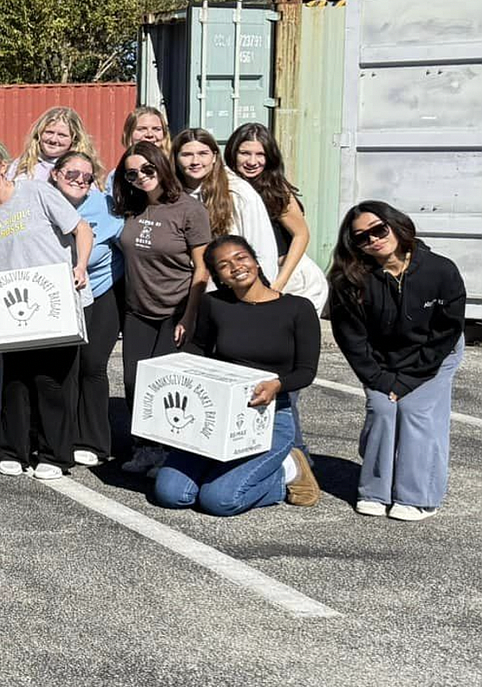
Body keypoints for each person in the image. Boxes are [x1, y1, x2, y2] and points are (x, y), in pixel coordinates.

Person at [153, 236, 320, 516]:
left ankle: (288, 470)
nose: (236, 267)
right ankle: (221, 469)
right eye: (224, 265)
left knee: (218, 500)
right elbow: (197, 352)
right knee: (172, 494)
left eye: (241, 257)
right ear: (219, 277)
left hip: (268, 416)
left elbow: (306, 371)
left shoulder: (298, 308)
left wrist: (277, 384)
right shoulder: (213, 304)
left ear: (256, 261)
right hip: (217, 413)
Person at [329, 202, 467, 521]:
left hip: (435, 354)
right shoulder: (349, 280)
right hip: (382, 360)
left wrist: (408, 380)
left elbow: (446, 332)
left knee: (415, 411)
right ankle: (375, 490)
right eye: (362, 237)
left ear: (396, 225)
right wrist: (381, 380)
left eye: (379, 230)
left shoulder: (440, 270)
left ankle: (418, 496)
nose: (373, 240)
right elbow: (352, 340)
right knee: (382, 409)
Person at [0, 143, 94, 479]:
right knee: (15, 380)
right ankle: (13, 450)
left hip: (56, 300)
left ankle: (54, 456)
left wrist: (80, 266)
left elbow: (81, 229)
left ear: (3, 166)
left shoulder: (36, 192)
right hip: (15, 307)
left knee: (52, 381)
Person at [112, 141, 212, 476]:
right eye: (132, 173)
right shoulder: (132, 207)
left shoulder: (189, 210)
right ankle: (145, 449)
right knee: (134, 382)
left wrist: (190, 315)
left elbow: (202, 268)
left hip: (175, 310)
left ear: (161, 166)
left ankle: (170, 453)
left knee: (166, 384)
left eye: (147, 169)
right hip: (137, 310)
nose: (141, 177)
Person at [50, 150, 123, 469]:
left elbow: (129, 245)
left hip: (103, 289)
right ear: (55, 174)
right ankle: (61, 435)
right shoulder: (42, 201)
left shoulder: (106, 207)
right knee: (66, 366)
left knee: (92, 364)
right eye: (71, 174)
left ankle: (93, 441)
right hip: (59, 292)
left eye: (86, 176)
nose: (79, 181)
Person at [225, 123, 326, 308]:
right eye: (245, 153)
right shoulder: (228, 186)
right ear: (233, 153)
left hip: (291, 280)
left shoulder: (275, 190)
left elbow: (301, 234)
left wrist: (279, 283)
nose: (252, 161)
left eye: (260, 154)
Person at [173, 128, 280, 292]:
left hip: (231, 290)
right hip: (181, 290)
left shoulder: (238, 193)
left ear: (214, 156)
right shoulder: (170, 195)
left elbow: (263, 249)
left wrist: (261, 293)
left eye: (203, 154)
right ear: (175, 158)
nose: (195, 161)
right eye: (187, 155)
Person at [12, 107, 99, 184]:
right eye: (49, 132)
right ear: (39, 133)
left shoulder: (83, 169)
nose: (53, 140)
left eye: (61, 135)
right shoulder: (21, 164)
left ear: (74, 139)